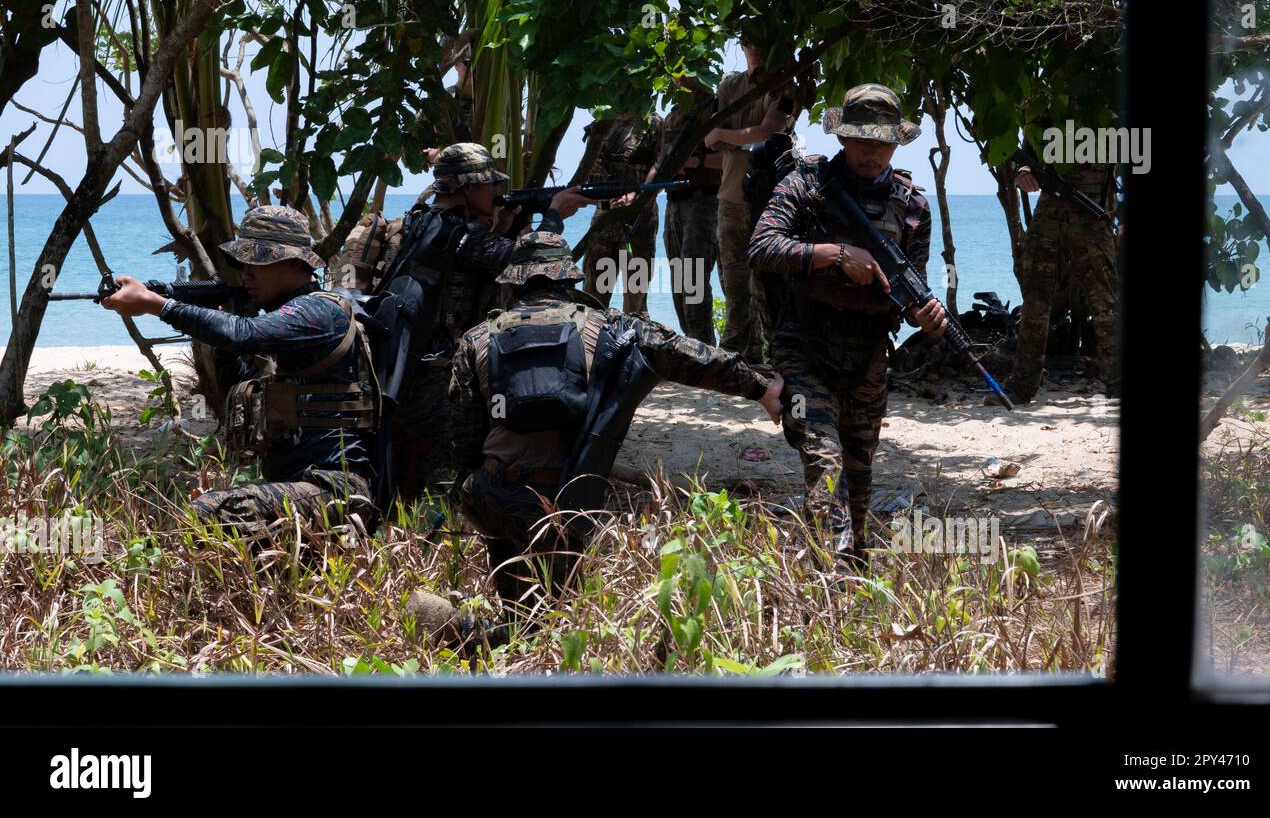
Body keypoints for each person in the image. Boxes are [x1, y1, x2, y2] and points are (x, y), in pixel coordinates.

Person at [447, 231, 784, 619]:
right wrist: (760, 389)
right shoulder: (611, 326)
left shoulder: (476, 339)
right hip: (567, 498)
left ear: (515, 283)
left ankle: (501, 631)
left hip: (495, 494)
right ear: (568, 279)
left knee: (519, 608)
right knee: (558, 611)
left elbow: (463, 443)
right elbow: (694, 357)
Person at [748, 84, 948, 567]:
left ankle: (853, 574)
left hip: (867, 358)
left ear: (898, 143)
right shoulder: (806, 184)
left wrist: (924, 316)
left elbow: (909, 287)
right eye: (862, 140)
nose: (871, 152)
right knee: (826, 464)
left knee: (859, 479)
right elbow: (761, 247)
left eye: (881, 142)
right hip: (803, 347)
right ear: (842, 138)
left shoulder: (913, 206)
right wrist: (834, 256)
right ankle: (832, 586)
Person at [101, 206, 379, 541]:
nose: (246, 273)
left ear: (294, 262)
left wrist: (158, 305)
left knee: (208, 512)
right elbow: (234, 397)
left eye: (257, 262)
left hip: (336, 489)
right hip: (298, 485)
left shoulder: (320, 311)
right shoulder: (285, 323)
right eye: (243, 262)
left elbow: (242, 333)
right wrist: (220, 345)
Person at [388, 143, 587, 506]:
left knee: (410, 473)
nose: (496, 192)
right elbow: (527, 263)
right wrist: (555, 216)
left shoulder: (426, 221)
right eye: (488, 185)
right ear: (466, 189)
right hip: (435, 374)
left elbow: (486, 265)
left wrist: (507, 228)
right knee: (447, 474)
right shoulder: (456, 234)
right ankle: (437, 547)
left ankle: (403, 535)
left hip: (415, 366)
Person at [706, 38, 796, 363]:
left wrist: (730, 137)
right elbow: (709, 135)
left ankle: (778, 354)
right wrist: (740, 138)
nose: (755, 46)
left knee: (768, 277)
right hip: (730, 194)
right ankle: (737, 351)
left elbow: (767, 133)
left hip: (768, 198)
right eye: (749, 40)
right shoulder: (731, 84)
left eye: (761, 38)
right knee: (732, 276)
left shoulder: (786, 87)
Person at [1008, 161, 1120, 401]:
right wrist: (1023, 171)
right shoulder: (1046, 121)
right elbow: (1026, 152)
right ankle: (1022, 385)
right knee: (1035, 300)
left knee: (1106, 301)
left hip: (1093, 208)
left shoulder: (1107, 121)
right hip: (1051, 208)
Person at [655, 77, 724, 344]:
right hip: (673, 202)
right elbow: (660, 161)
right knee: (678, 281)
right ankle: (692, 345)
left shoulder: (717, 107)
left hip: (704, 201)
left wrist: (697, 161)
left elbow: (735, 157)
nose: (681, 75)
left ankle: (704, 347)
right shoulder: (672, 114)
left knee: (693, 276)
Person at [580, 112, 664, 315]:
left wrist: (638, 195)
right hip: (603, 216)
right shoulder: (600, 123)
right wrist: (591, 167)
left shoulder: (652, 122)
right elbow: (584, 172)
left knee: (635, 298)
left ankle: (633, 343)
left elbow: (661, 165)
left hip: (639, 218)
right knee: (593, 298)